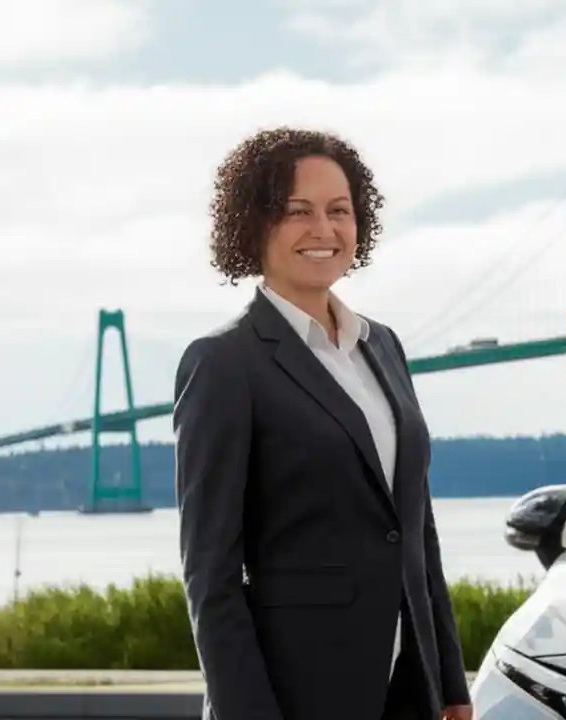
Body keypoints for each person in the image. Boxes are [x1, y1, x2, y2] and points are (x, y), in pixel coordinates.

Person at [173, 127, 472, 720]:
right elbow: (210, 576)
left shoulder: (382, 346)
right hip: (295, 695)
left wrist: (451, 686)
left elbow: (417, 533)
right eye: (297, 212)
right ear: (254, 225)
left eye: (340, 211)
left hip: (409, 691)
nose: (324, 230)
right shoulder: (223, 363)